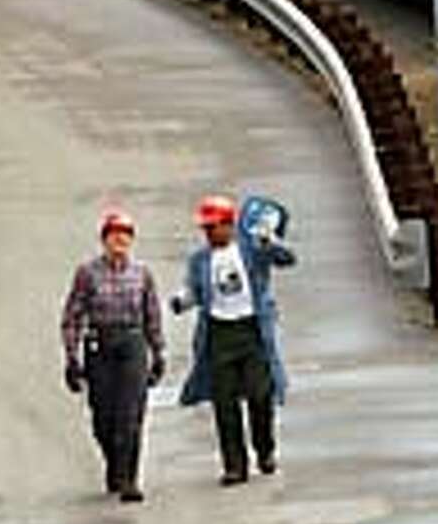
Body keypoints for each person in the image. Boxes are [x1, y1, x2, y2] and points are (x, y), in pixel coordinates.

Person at [170, 194, 295, 485]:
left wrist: (270, 242)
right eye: (206, 228)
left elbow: (287, 259)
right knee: (224, 404)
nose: (209, 233)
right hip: (219, 333)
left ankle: (264, 449)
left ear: (229, 225)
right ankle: (234, 465)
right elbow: (195, 290)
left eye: (214, 227)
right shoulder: (200, 260)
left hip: (251, 331)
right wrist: (181, 301)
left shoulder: (251, 249)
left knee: (260, 394)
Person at [60, 210, 165, 503]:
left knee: (130, 415)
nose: (119, 240)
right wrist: (71, 357)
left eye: (125, 235)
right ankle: (115, 464)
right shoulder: (87, 273)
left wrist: (158, 352)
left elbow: (152, 315)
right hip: (100, 345)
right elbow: (72, 316)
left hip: (132, 343)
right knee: (103, 418)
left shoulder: (142, 273)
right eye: (113, 234)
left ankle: (129, 479)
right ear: (104, 239)